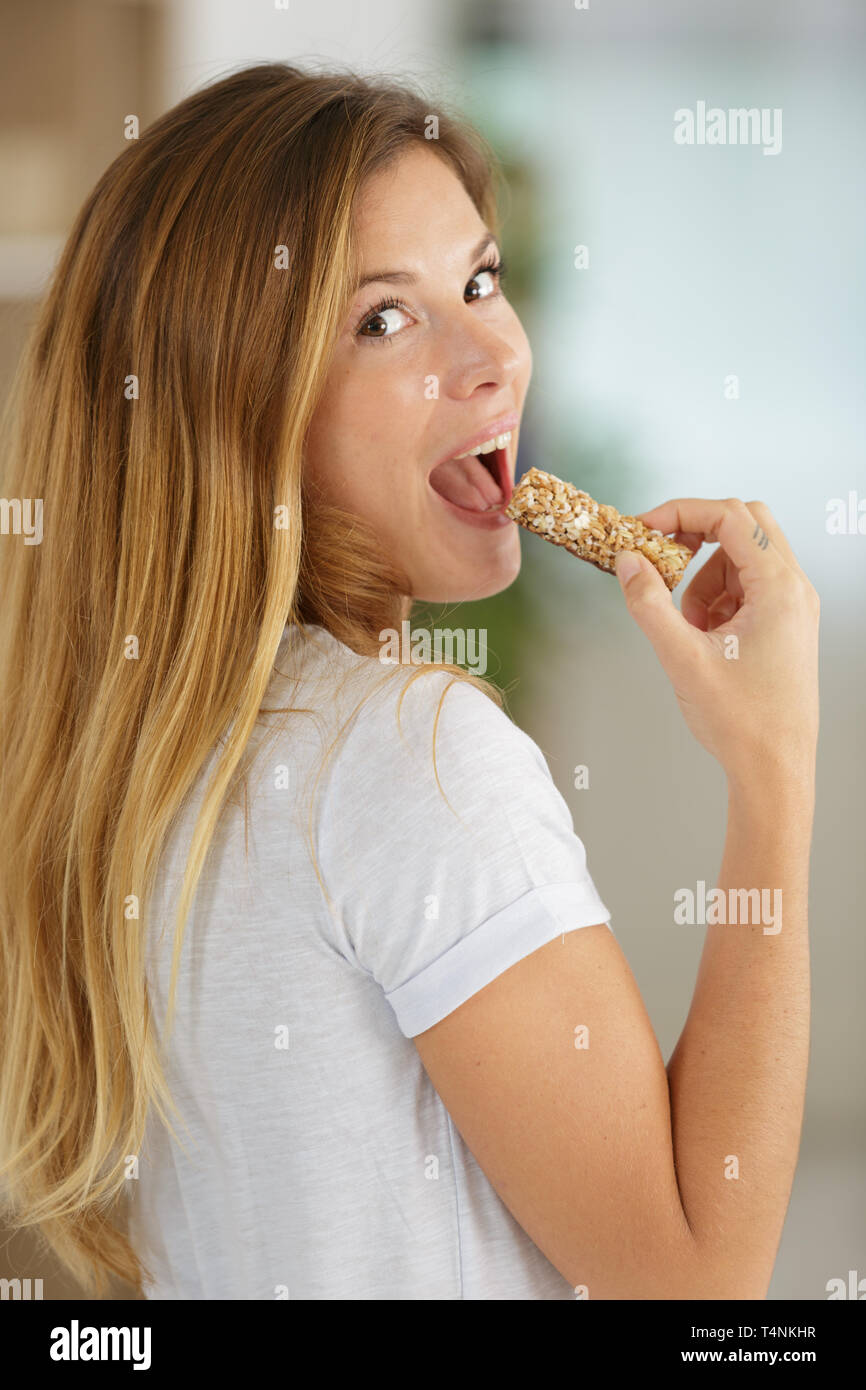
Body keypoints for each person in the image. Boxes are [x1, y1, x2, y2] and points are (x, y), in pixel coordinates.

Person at [0, 62, 819, 1300]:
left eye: (479, 281)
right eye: (383, 319)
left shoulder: (135, 760)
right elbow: (695, 1291)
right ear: (241, 404)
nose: (492, 351)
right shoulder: (410, 754)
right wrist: (773, 770)